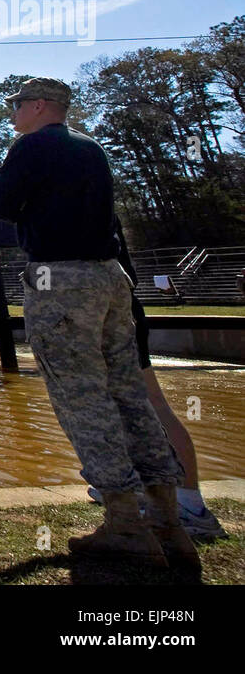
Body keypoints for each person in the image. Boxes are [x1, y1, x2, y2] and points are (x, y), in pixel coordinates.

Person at [0, 77, 199, 571]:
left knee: (82, 397)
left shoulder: (30, 146)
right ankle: (168, 521)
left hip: (56, 278)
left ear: (40, 106)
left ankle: (125, 524)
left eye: (17, 105)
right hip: (110, 278)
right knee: (129, 394)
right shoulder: (92, 147)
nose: (13, 113)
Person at [87, 227, 228, 541]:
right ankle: (139, 487)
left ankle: (189, 503)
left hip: (114, 313)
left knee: (152, 403)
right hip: (112, 308)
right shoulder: (90, 193)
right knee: (121, 405)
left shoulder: (85, 197)